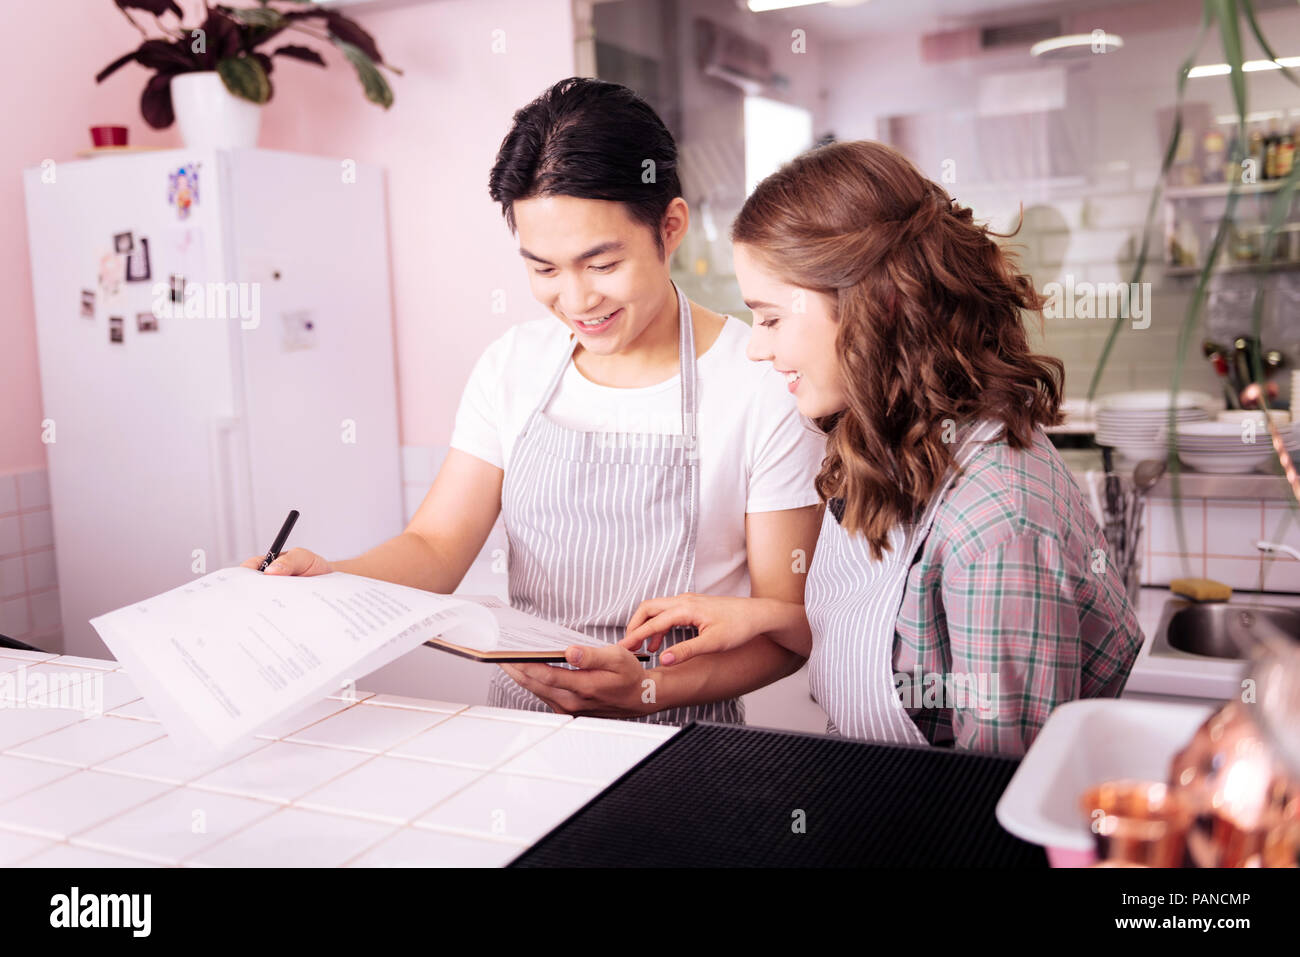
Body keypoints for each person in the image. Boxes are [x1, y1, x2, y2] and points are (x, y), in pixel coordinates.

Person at [244, 78, 824, 725]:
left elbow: (784, 631)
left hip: (681, 739)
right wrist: (331, 578)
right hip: (526, 728)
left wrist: (647, 689)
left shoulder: (760, 381)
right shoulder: (512, 365)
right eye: (543, 269)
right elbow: (436, 546)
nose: (576, 301)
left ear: (670, 227)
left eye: (601, 264)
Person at [622, 140, 1144, 754]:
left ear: (875, 304)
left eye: (770, 318)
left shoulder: (998, 526)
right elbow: (913, 645)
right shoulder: (895, 440)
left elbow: (996, 810)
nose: (756, 349)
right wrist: (769, 619)